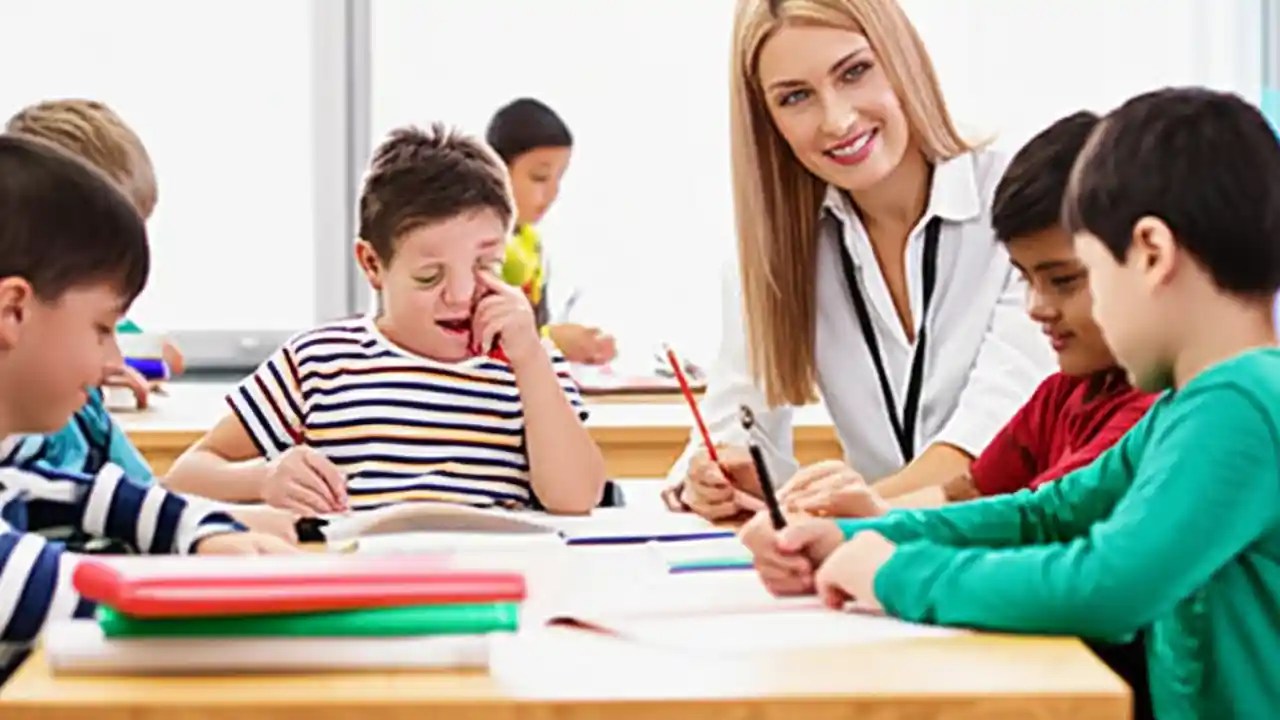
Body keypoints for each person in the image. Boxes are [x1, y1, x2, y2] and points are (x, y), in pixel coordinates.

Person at [742, 87, 1280, 720]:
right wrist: (850, 536)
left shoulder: (1239, 406)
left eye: (1091, 276)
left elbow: (1107, 585)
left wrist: (895, 576)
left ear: (1152, 254)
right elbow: (1044, 515)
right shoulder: (1189, 406)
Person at [663, 0, 1054, 520]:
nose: (837, 119)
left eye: (855, 72)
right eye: (795, 97)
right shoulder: (776, 254)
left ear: (902, 60)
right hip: (875, 563)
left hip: (1017, 545)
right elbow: (729, 431)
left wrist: (836, 509)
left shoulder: (1023, 207)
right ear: (768, 121)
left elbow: (990, 448)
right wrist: (715, 479)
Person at [164, 125, 606, 516]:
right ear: (373, 264)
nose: (460, 295)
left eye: (485, 266)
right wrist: (260, 480)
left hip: (495, 590)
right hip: (361, 589)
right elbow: (185, 476)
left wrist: (529, 359)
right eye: (429, 276)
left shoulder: (532, 364)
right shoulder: (320, 362)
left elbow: (576, 499)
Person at [0, 134, 294, 677]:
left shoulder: (12, 465)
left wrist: (201, 533)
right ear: (13, 310)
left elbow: (71, 494)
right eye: (102, 329)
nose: (113, 357)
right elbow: (45, 588)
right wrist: (203, 588)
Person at [776, 110, 1155, 516]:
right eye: (1025, 280)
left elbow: (1032, 522)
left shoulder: (1151, 411)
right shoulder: (1058, 396)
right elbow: (966, 494)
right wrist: (867, 515)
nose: (1037, 308)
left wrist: (874, 532)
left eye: (1063, 281)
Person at [485, 98, 617, 366]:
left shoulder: (530, 245)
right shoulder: (475, 249)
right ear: (496, 170)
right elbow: (477, 344)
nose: (553, 193)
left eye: (560, 178)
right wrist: (553, 340)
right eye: (539, 177)